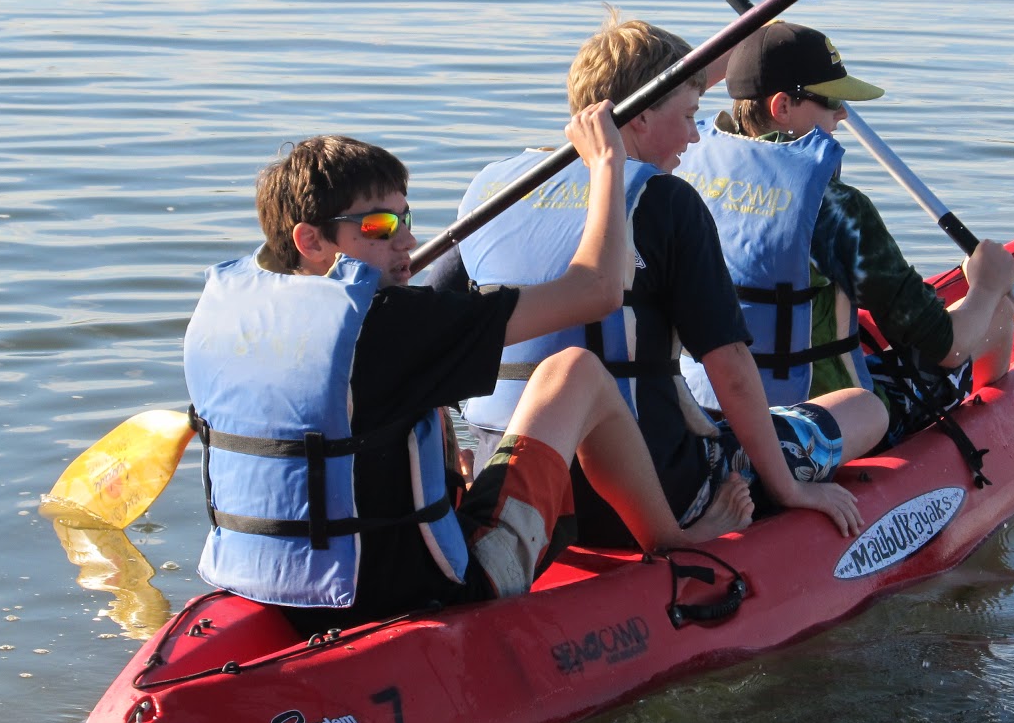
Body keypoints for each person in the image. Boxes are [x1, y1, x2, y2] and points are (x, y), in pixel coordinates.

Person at [181, 103, 752, 635]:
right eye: (378, 227)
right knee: (575, 370)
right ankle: (673, 539)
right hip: (426, 591)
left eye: (406, 218)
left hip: (285, 589)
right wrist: (606, 166)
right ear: (310, 239)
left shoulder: (230, 322)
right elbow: (598, 290)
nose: (406, 240)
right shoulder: (396, 321)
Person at [432, 10, 888, 544]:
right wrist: (790, 489)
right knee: (864, 408)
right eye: (690, 115)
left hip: (514, 479)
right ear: (642, 118)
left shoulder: (493, 188)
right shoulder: (664, 201)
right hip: (653, 492)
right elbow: (731, 367)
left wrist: (448, 461)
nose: (697, 137)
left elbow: (431, 341)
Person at [674, 19, 1014, 453]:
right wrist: (986, 286)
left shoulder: (682, 165)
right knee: (998, 313)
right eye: (831, 101)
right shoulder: (835, 208)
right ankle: (997, 439)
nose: (842, 114)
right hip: (825, 414)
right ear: (782, 107)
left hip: (707, 404)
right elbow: (948, 347)